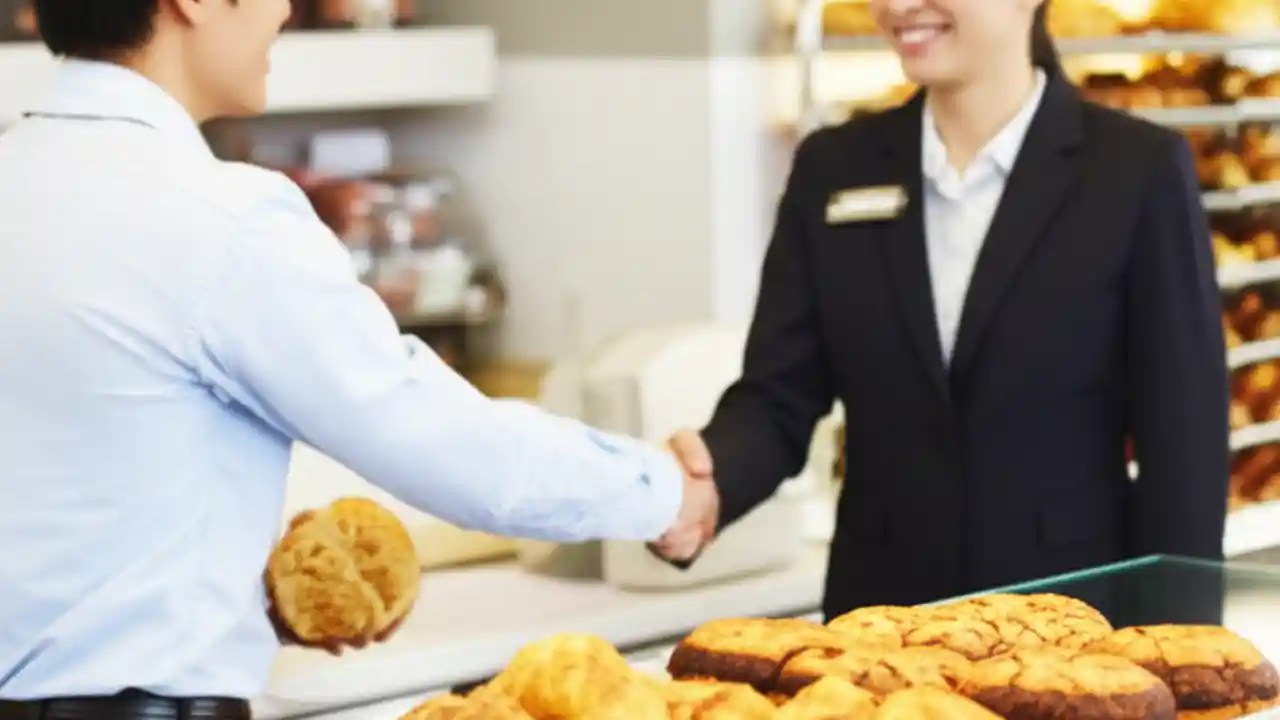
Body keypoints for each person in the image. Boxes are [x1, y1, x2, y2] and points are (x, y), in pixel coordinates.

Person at [0, 1, 716, 717]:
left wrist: (225, 591)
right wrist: (663, 494)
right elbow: (440, 442)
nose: (284, 8)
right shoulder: (220, 219)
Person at [654, 0, 1230, 621]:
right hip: (880, 640)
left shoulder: (1135, 172)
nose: (898, 7)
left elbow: (1184, 450)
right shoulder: (833, 168)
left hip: (1069, 639)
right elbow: (779, 395)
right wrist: (710, 484)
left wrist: (1182, 662)